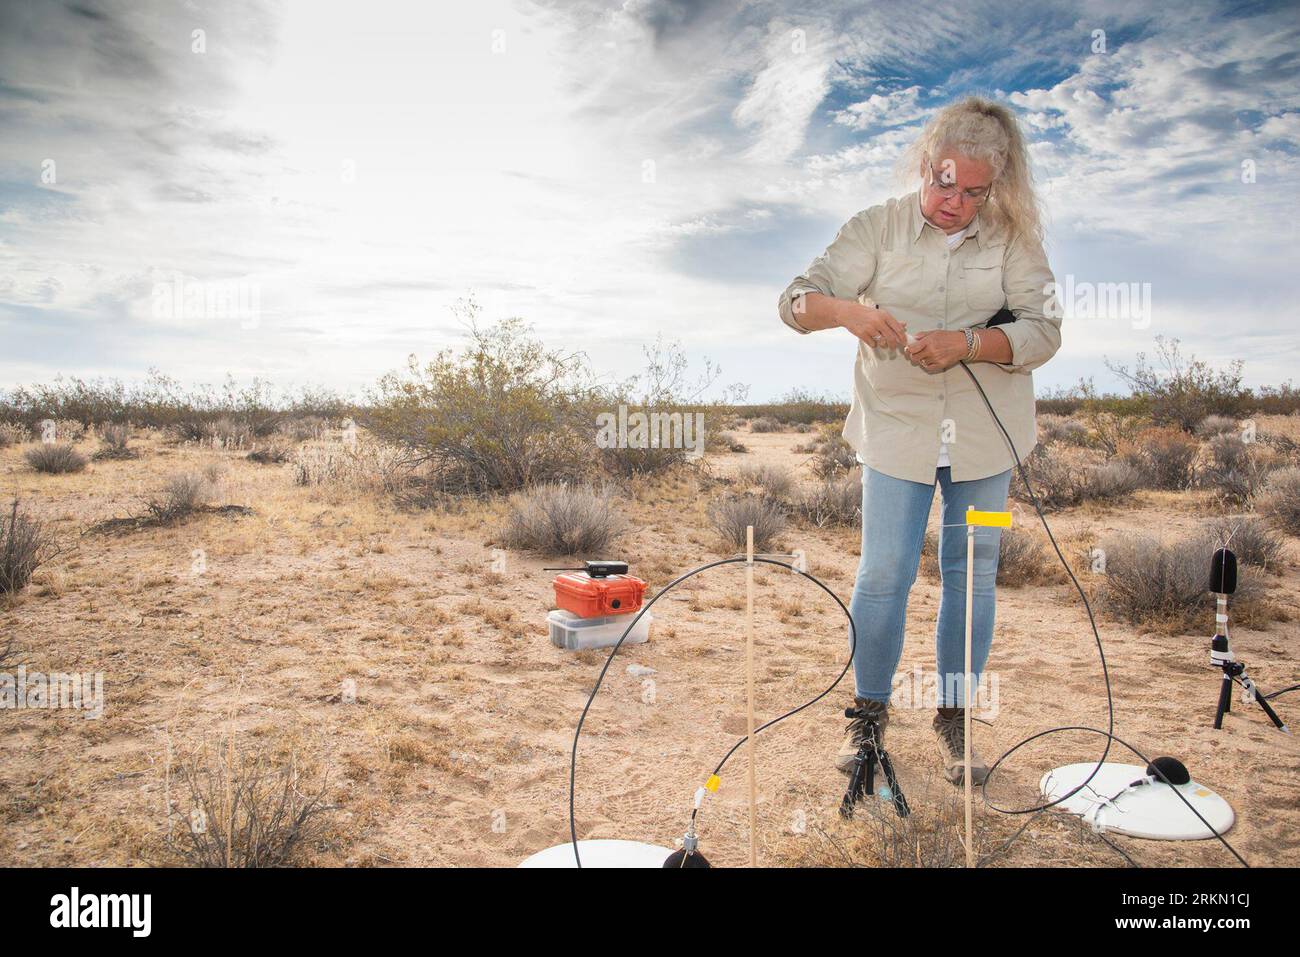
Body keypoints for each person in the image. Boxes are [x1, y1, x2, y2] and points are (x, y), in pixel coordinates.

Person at [776, 96, 1062, 785]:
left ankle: (955, 719)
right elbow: (794, 302)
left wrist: (969, 344)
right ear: (925, 164)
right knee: (883, 575)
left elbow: (1044, 331)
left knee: (973, 578)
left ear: (997, 186)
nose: (953, 201)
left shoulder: (1015, 240)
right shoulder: (876, 227)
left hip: (988, 445)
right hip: (896, 436)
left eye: (973, 191)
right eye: (942, 181)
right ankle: (868, 718)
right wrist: (850, 311)